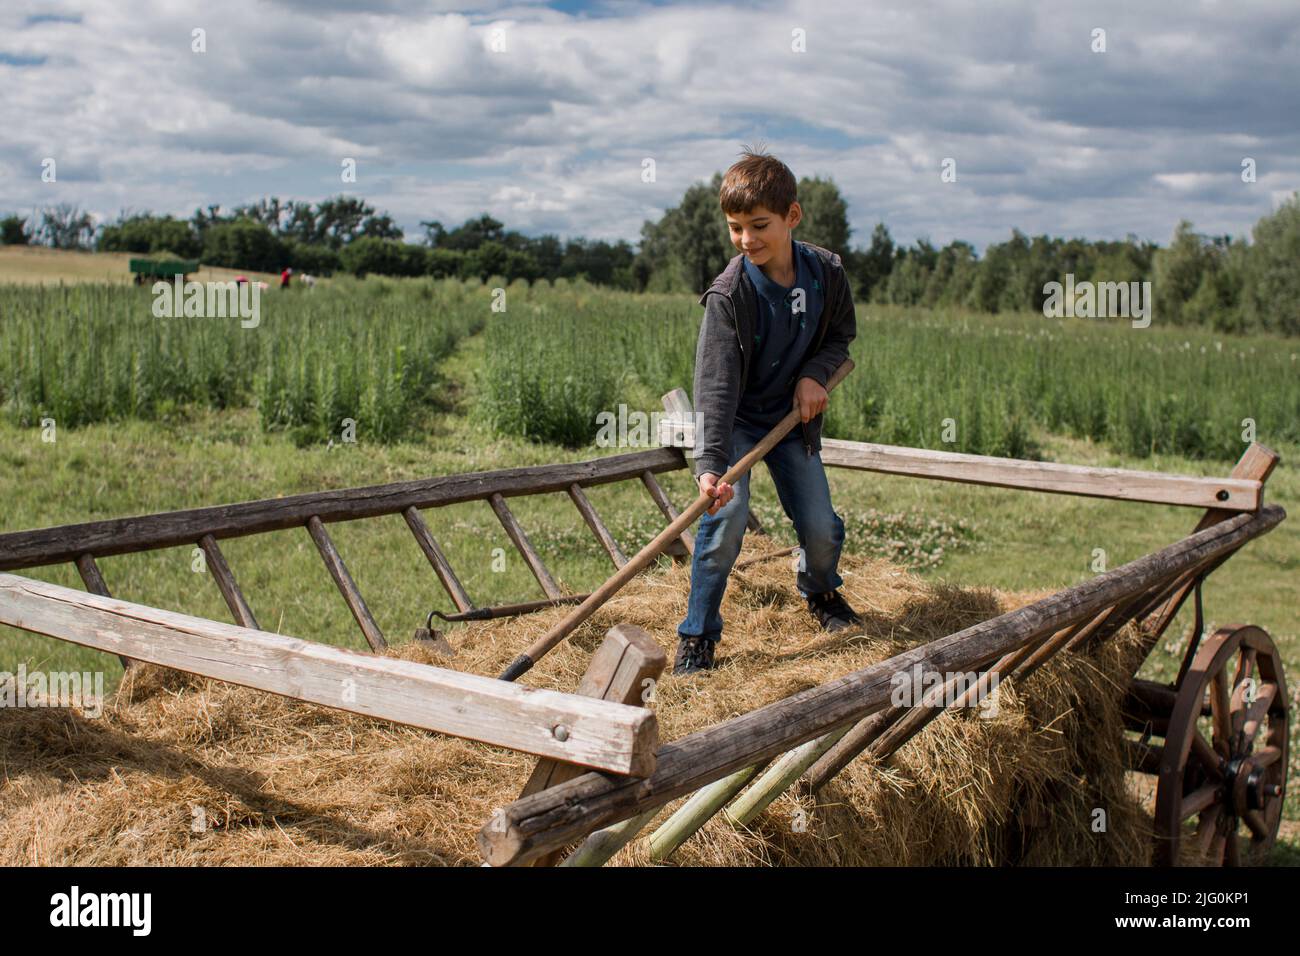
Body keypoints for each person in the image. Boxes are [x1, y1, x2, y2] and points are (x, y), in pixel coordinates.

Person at [674, 146, 861, 675]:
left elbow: (841, 337)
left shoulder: (825, 273)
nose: (747, 239)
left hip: (791, 423)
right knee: (725, 523)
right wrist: (710, 467)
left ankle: (821, 592)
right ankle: (698, 635)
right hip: (736, 424)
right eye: (735, 228)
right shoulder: (730, 295)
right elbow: (713, 387)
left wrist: (814, 375)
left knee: (821, 526)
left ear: (792, 217)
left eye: (759, 225)